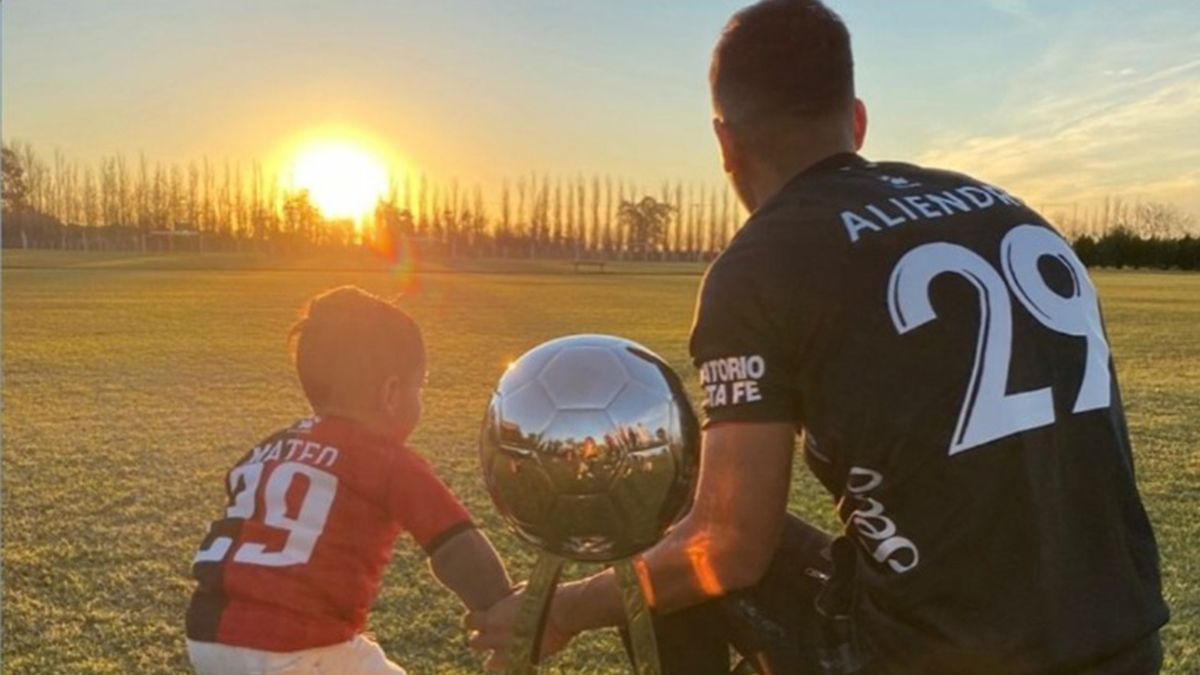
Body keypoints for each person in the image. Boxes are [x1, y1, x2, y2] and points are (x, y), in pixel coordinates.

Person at [466, 1, 1169, 673]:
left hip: (939, 657)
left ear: (725, 142)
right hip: (1124, 639)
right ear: (857, 121)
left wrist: (570, 608)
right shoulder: (1006, 208)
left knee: (675, 528)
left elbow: (730, 545)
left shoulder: (762, 261)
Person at [186, 286, 512, 675]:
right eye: (418, 387)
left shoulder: (269, 448)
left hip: (206, 634)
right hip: (296, 645)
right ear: (391, 394)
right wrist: (503, 608)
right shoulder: (385, 460)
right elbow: (455, 547)